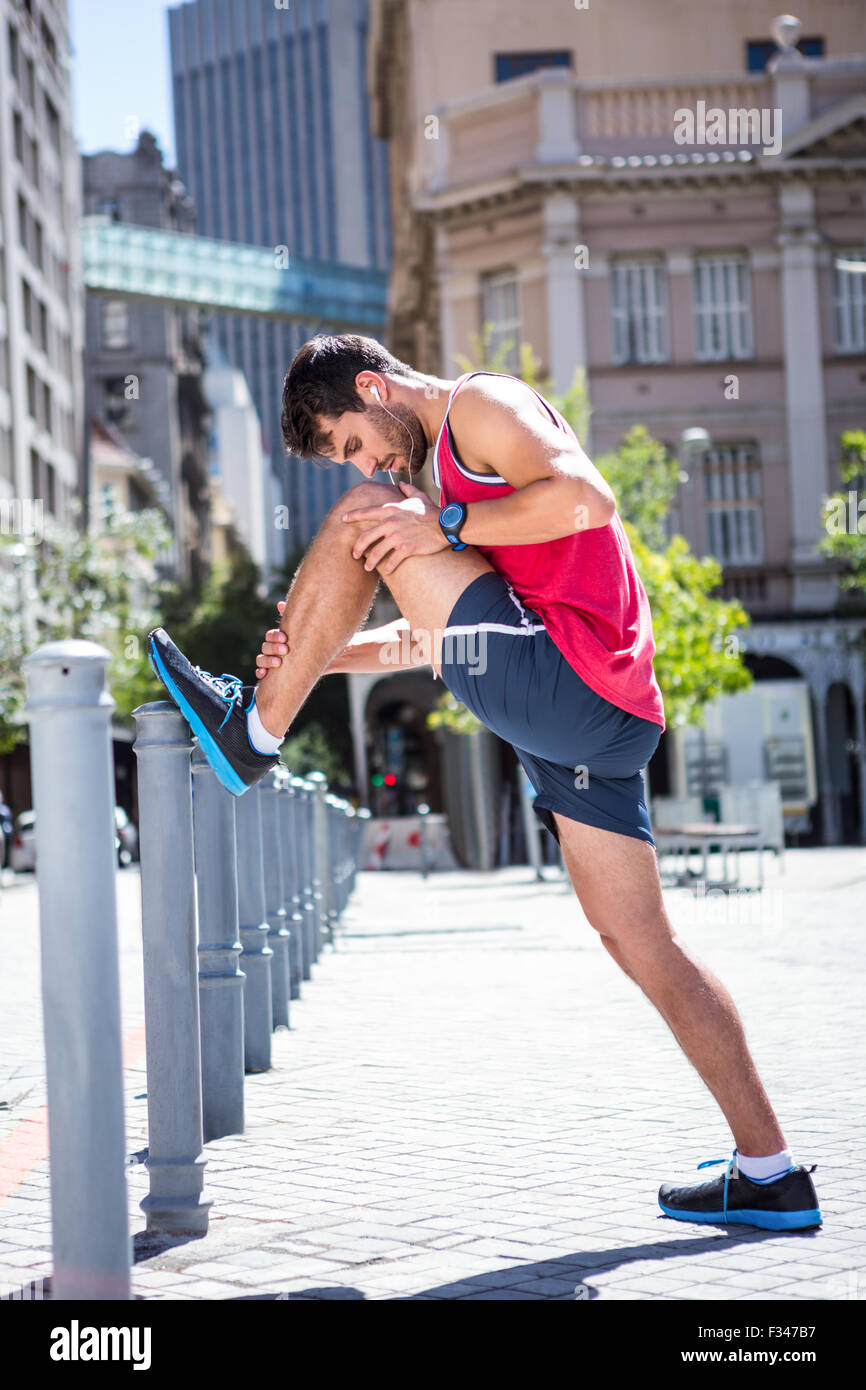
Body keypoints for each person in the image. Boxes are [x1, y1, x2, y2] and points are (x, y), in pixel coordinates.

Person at [147, 333, 820, 1231]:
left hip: (573, 682)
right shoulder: (444, 489)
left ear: (375, 386)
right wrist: (318, 653)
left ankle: (253, 731)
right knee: (642, 945)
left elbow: (587, 497)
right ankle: (771, 1168)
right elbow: (439, 637)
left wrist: (443, 527)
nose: (366, 460)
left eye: (351, 440)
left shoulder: (483, 408)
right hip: (599, 720)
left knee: (365, 517)